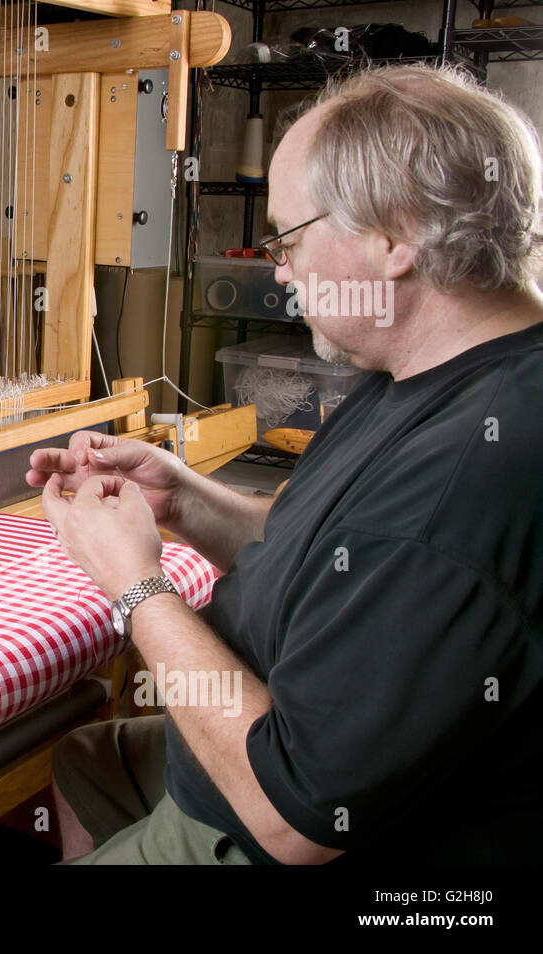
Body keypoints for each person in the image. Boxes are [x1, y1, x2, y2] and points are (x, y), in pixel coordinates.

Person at [27, 64, 543, 864]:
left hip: (280, 819)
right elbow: (345, 553)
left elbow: (292, 816)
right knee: (81, 761)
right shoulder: (432, 369)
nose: (279, 269)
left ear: (394, 237)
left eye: (287, 238)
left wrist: (134, 583)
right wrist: (187, 501)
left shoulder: (471, 469)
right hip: (277, 745)